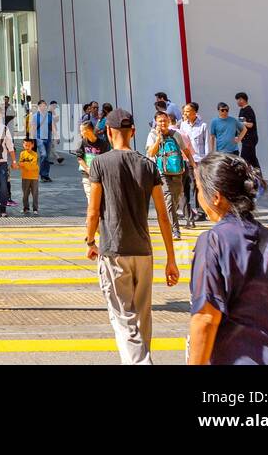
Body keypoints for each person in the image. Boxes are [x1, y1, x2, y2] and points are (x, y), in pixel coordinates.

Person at [187, 154, 268, 366]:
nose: (198, 196)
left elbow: (206, 320)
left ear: (216, 197)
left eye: (199, 189)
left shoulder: (213, 242)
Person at [84, 108, 180, 365]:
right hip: (143, 252)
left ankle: (140, 363)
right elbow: (163, 215)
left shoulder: (100, 164)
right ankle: (142, 358)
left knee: (123, 319)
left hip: (114, 251)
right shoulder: (148, 165)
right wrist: (171, 259)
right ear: (133, 132)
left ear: (107, 131)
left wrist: (90, 241)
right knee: (142, 317)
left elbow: (93, 211)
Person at [146, 110, 194, 237]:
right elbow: (151, 153)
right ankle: (175, 230)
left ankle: (170, 217)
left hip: (177, 171)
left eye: (165, 120)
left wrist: (194, 165)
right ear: (156, 122)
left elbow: (186, 151)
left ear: (168, 121)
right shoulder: (152, 135)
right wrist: (158, 139)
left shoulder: (175, 134)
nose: (163, 123)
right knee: (169, 200)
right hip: (161, 172)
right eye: (160, 121)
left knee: (176, 197)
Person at [178, 102, 209, 219]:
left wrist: (206, 160)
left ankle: (201, 211)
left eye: (187, 111)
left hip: (198, 160)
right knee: (187, 185)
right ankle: (189, 211)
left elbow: (206, 144)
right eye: (184, 111)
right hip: (186, 159)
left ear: (195, 112)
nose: (184, 113)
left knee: (197, 185)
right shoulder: (183, 125)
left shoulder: (203, 125)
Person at [77, 117, 110, 203]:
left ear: (88, 130)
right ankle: (94, 215)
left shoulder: (103, 144)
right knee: (90, 198)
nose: (80, 133)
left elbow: (106, 160)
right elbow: (80, 158)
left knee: (100, 198)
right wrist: (87, 169)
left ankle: (99, 215)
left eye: (82, 131)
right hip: (86, 175)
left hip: (99, 175)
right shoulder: (82, 142)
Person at [234, 93, 263, 183]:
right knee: (252, 159)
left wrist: (241, 123)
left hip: (250, 138)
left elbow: (251, 124)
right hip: (245, 139)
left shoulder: (248, 110)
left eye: (238, 100)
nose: (237, 102)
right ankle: (258, 177)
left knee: (244, 158)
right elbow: (241, 125)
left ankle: (247, 178)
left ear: (243, 99)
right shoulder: (242, 110)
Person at [31, 99, 54, 182]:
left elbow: (52, 126)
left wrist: (56, 136)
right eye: (42, 105)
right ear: (39, 107)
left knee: (47, 157)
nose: (44, 107)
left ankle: (46, 175)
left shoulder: (49, 115)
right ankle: (42, 174)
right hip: (39, 138)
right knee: (43, 154)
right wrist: (32, 140)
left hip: (48, 137)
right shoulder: (35, 116)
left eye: (45, 105)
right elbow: (33, 128)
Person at [19, 137, 40, 213]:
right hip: (24, 176)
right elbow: (20, 164)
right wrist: (23, 165)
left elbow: (32, 166)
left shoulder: (35, 154)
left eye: (29, 145)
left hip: (34, 177)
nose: (27, 147)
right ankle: (26, 208)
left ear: (32, 145)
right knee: (25, 194)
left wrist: (24, 164)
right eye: (25, 145)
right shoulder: (22, 154)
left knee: (35, 194)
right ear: (23, 145)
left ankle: (35, 209)